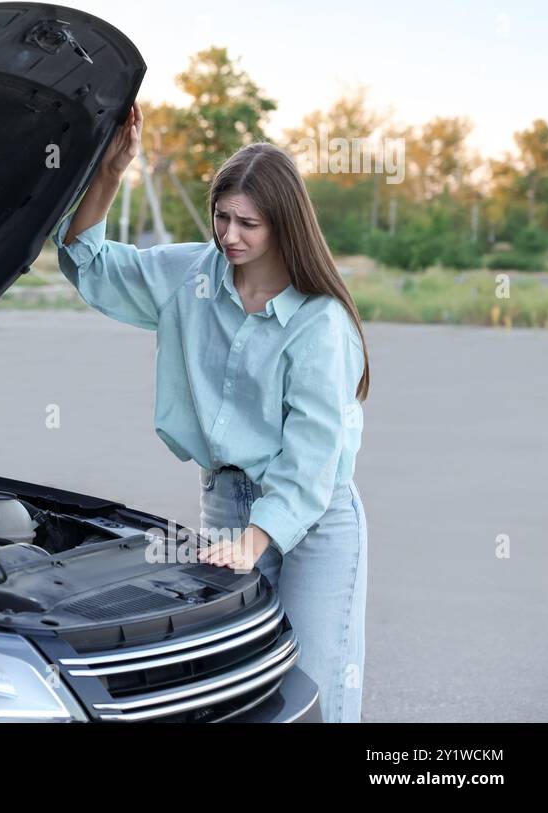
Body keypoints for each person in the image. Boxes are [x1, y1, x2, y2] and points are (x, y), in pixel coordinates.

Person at [54, 104, 370, 723]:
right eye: (222, 216)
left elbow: (312, 457)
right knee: (238, 683)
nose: (229, 235)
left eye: (247, 223)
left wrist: (258, 539)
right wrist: (112, 175)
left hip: (315, 516)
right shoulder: (189, 276)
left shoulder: (319, 322)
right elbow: (84, 263)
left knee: (311, 684)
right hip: (226, 501)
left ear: (283, 225)